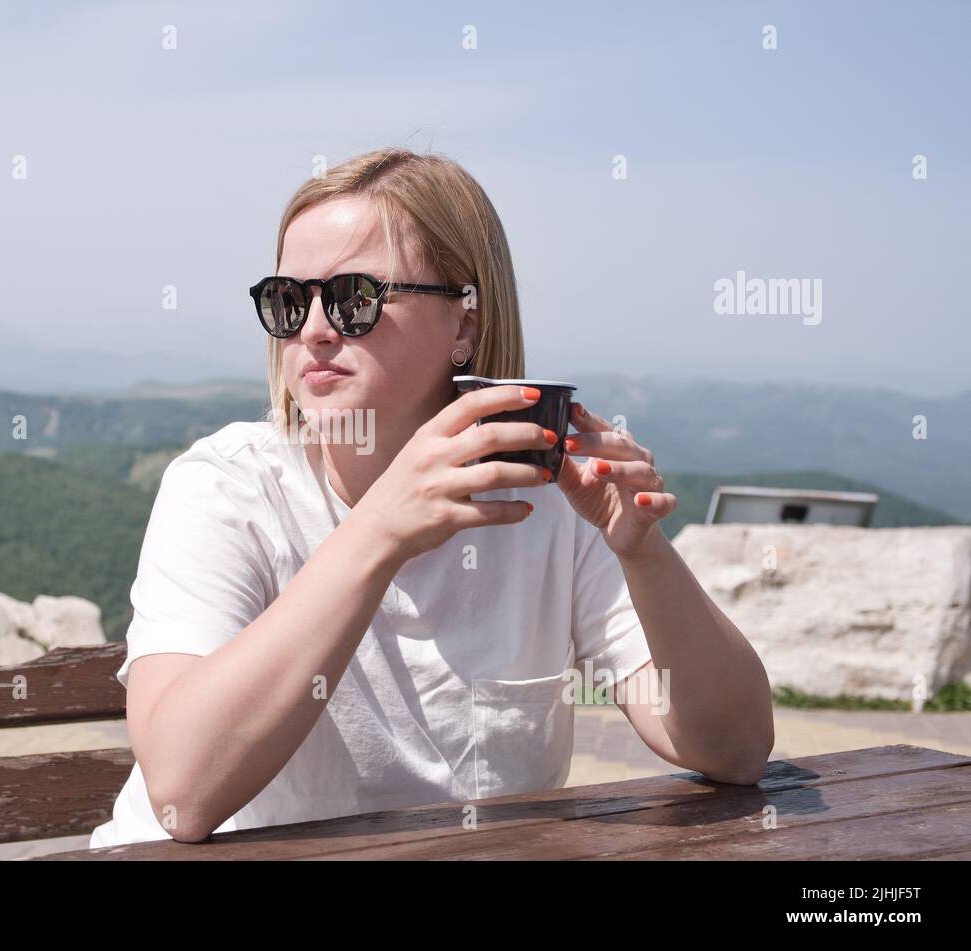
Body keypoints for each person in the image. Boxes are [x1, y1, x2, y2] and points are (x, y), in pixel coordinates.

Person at [89, 147, 774, 848]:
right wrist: (379, 533)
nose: (315, 329)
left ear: (465, 325)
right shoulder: (226, 488)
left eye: (354, 298)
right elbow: (181, 792)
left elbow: (737, 748)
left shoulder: (550, 502)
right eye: (289, 301)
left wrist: (647, 556)